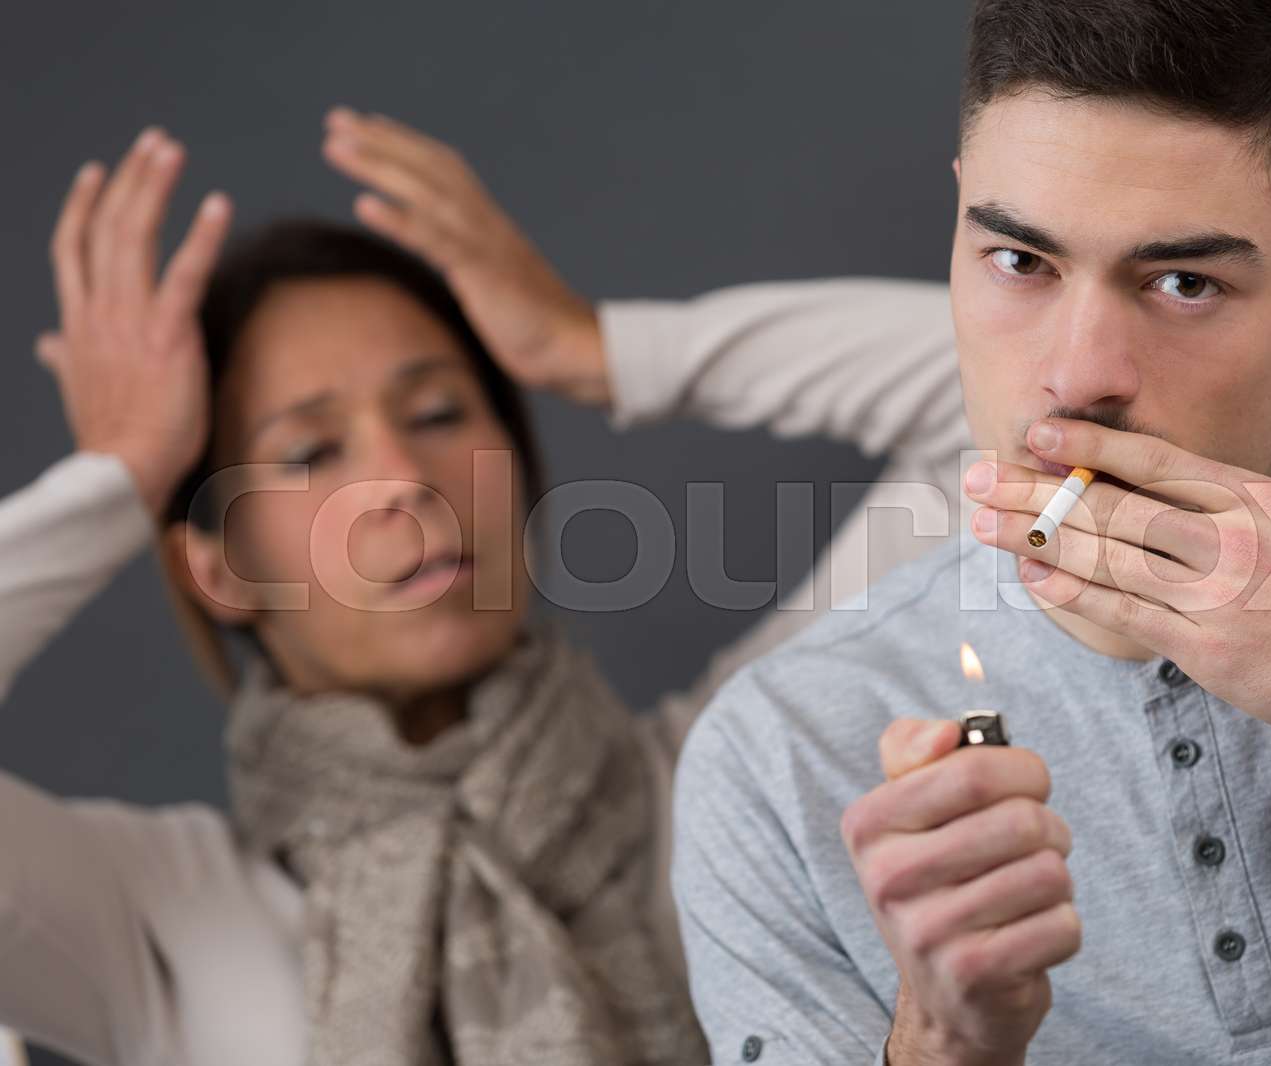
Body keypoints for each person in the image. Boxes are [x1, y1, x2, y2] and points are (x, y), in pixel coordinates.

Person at [671, 1, 1271, 1063]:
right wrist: (942, 1041)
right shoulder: (775, 760)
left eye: (1183, 282)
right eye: (1020, 260)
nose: (1079, 376)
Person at [0, 112, 961, 1066]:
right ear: (218, 567)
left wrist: (595, 348)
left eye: (437, 411)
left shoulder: (725, 776)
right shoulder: (152, 921)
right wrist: (120, 476)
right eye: (310, 450)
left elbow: (998, 408)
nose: (403, 478)